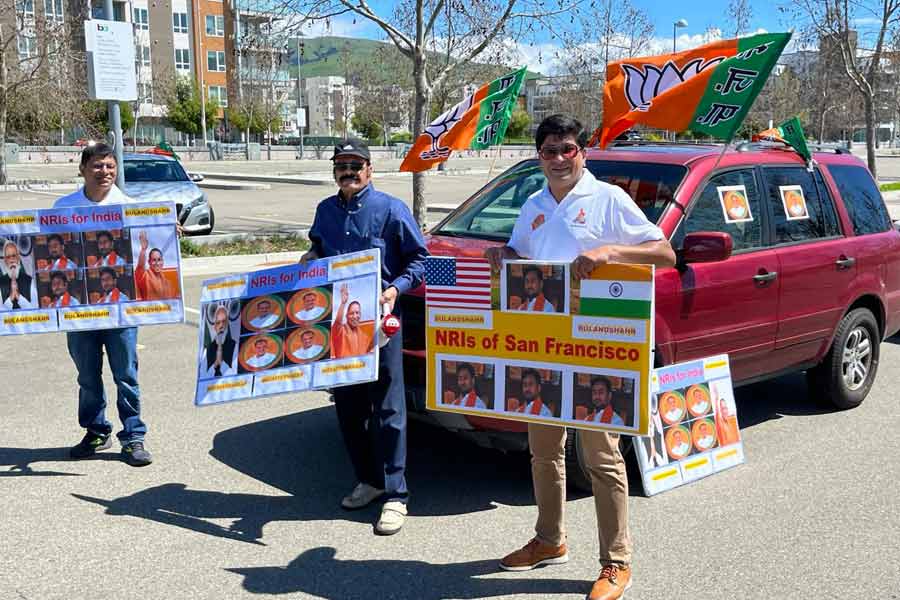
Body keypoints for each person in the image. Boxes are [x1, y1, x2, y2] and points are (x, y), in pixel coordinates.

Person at [485, 114, 676, 599]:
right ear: (539, 157)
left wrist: (612, 251)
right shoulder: (533, 204)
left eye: (566, 149)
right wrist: (504, 258)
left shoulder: (608, 199)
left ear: (582, 152)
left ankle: (617, 562)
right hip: (544, 345)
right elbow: (521, 257)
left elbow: (665, 253)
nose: (557, 159)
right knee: (544, 452)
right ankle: (549, 540)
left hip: (598, 347)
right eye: (548, 151)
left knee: (601, 457)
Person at [301, 137, 428, 536]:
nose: (349, 171)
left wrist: (395, 290)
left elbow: (419, 259)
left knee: (389, 411)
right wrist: (304, 263)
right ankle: (369, 481)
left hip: (380, 325)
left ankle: (396, 494)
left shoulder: (391, 210)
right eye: (342, 165)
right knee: (349, 410)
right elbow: (317, 250)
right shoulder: (325, 211)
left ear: (370, 169)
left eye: (357, 164)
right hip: (338, 326)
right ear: (334, 171)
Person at [53, 143, 152, 467]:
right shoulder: (63, 207)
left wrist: (166, 231)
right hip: (79, 310)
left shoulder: (131, 207)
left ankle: (133, 436)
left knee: (126, 374)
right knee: (87, 376)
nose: (105, 172)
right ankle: (96, 430)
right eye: (97, 166)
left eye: (110, 166)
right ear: (82, 169)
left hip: (121, 309)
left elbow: (144, 253)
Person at [331, 283, 373, 358]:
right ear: (346, 316)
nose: (355, 316)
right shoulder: (341, 331)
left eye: (357, 313)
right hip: (342, 368)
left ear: (360, 315)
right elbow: (337, 322)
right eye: (351, 313)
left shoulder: (364, 337)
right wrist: (343, 303)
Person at [135, 231, 175, 300]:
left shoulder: (168, 283)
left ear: (162, 262)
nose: (157, 263)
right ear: (149, 262)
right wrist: (143, 250)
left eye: (159, 260)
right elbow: (140, 266)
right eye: (154, 260)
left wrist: (175, 232)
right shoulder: (144, 276)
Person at [0, 239, 37, 310]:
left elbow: (36, 309)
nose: (11, 260)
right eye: (8, 257)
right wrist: (10, 298)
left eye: (13, 256)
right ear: (5, 260)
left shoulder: (30, 281)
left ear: (18, 257)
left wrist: (19, 297)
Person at [205, 305, 237, 377]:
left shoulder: (234, 345)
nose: (221, 326)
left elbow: (234, 371)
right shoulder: (208, 349)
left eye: (224, 321)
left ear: (227, 323)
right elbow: (205, 374)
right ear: (214, 325)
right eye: (218, 322)